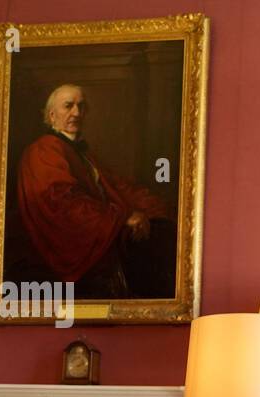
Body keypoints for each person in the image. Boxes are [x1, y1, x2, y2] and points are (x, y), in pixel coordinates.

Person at [15, 83, 174, 299]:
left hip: (101, 229)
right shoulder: (44, 150)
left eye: (81, 106)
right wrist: (122, 218)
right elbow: (61, 203)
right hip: (68, 246)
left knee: (163, 231)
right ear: (52, 115)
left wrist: (153, 208)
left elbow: (116, 186)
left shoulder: (79, 151)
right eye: (68, 106)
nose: (77, 113)